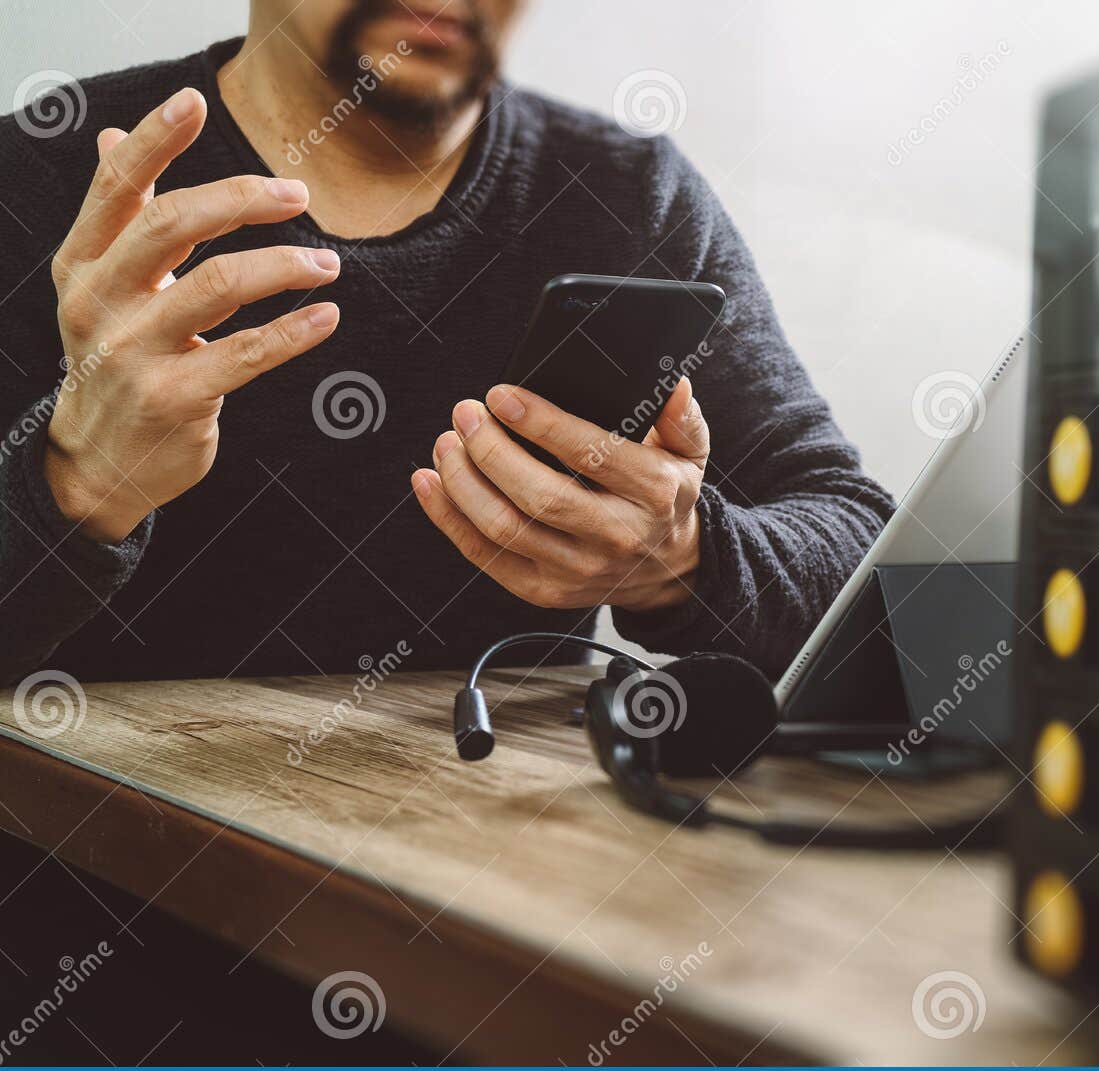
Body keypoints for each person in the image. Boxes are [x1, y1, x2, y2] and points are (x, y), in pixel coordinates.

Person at [0, 0, 893, 685]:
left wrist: (685, 559)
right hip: (109, 889)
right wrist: (76, 481)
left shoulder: (628, 194)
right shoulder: (38, 175)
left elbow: (872, 565)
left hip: (504, 891)